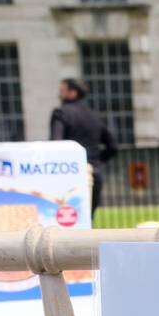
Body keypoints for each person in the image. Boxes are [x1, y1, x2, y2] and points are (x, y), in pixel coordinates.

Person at [49, 78, 118, 214]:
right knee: (88, 221)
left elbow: (56, 144)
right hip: (93, 173)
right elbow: (113, 146)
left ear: (73, 92)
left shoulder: (60, 113)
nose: (59, 94)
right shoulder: (94, 116)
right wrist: (96, 161)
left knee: (66, 223)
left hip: (68, 175)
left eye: (62, 91)